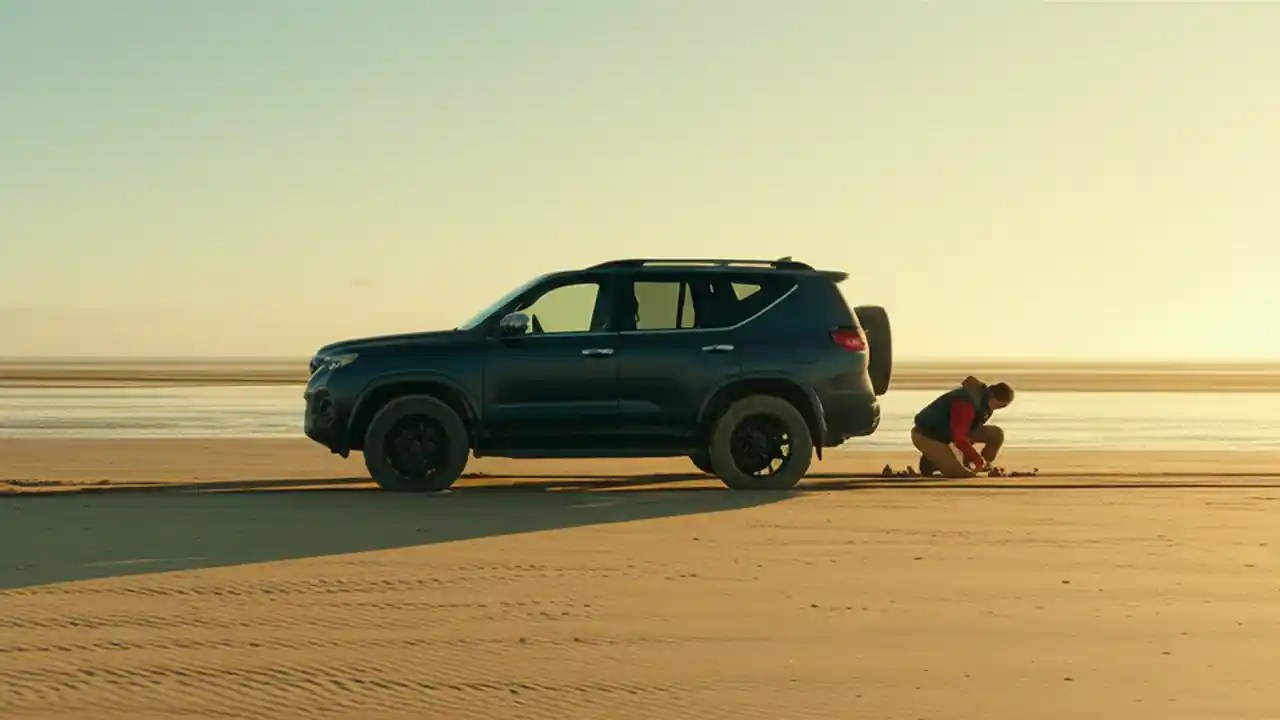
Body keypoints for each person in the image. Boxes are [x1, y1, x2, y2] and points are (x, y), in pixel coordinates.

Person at [911, 376, 1014, 478]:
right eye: (999, 405)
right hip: (927, 436)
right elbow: (959, 438)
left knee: (996, 434)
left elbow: (968, 431)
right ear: (992, 395)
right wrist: (976, 458)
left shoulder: (983, 403)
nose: (997, 409)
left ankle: (985, 463)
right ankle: (933, 461)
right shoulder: (966, 403)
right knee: (959, 474)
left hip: (949, 433)